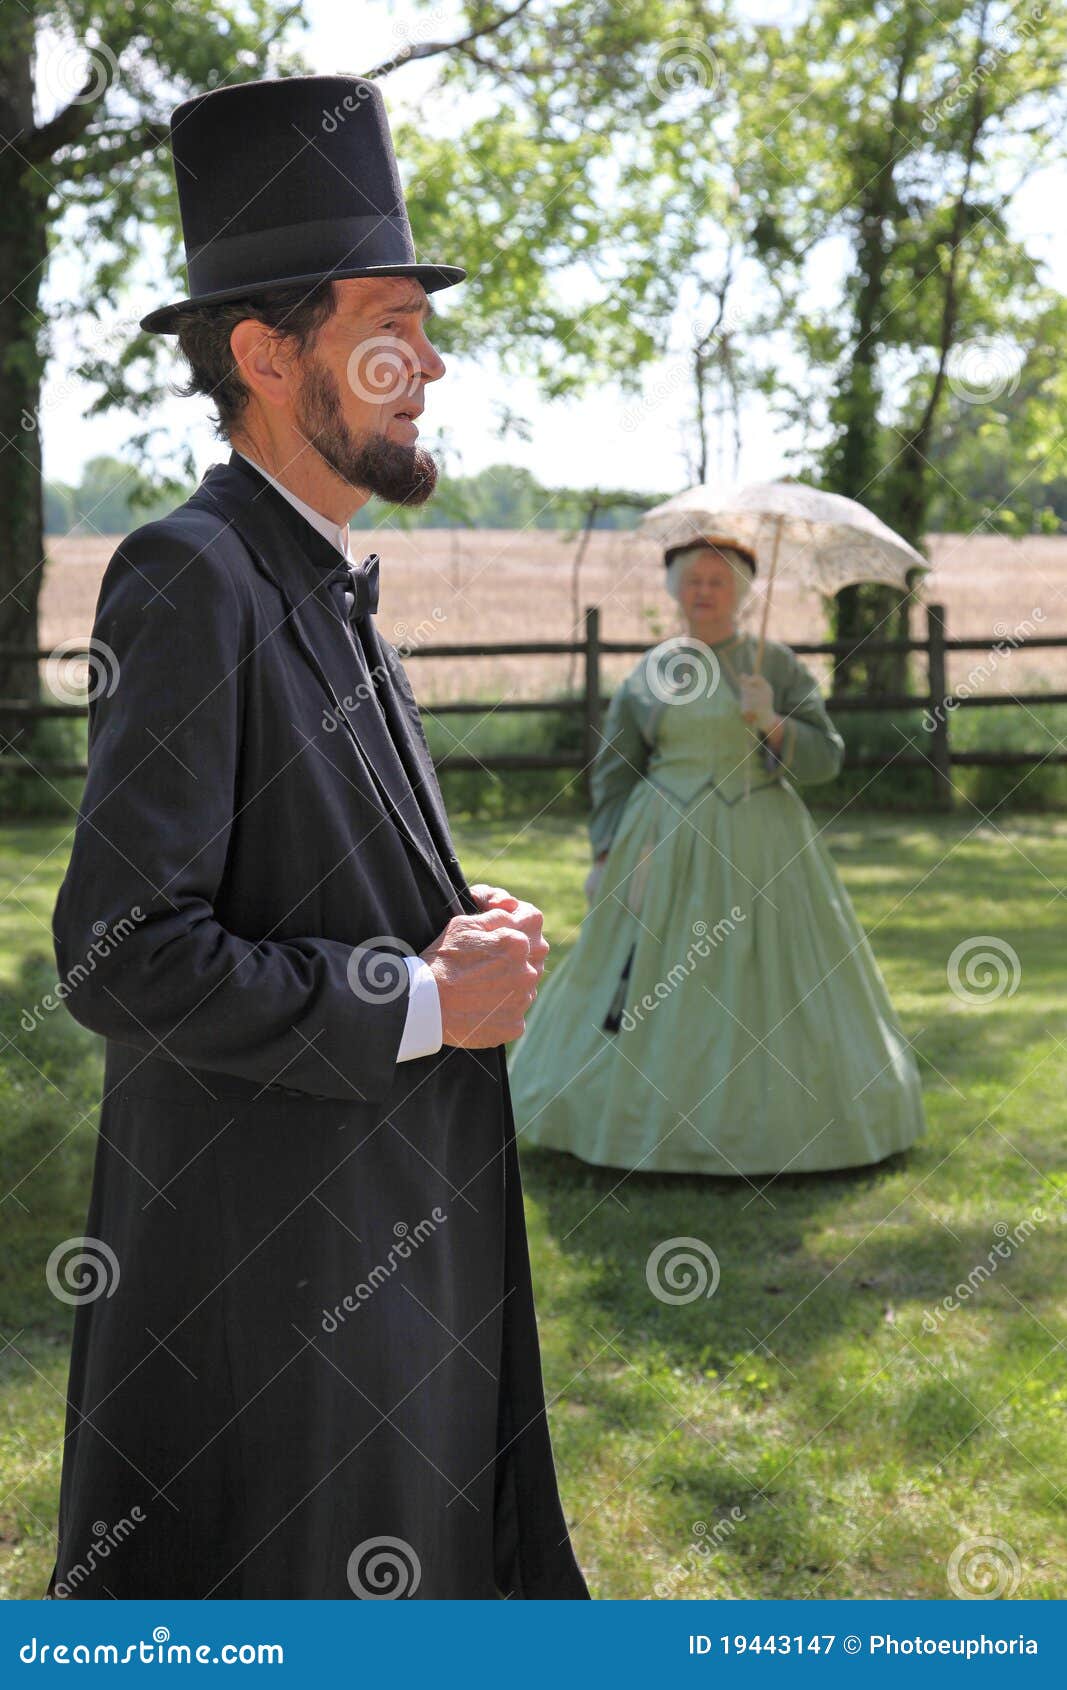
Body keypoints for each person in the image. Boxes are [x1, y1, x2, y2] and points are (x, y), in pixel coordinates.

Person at [46, 75, 588, 1602]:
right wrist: (422, 999)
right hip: (274, 1303)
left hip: (389, 1253)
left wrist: (444, 915)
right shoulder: (191, 573)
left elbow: (291, 874)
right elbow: (122, 952)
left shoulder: (323, 574)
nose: (428, 361)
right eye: (386, 324)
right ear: (266, 354)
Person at [508, 536, 926, 1176]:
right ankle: (630, 1123)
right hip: (662, 845)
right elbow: (615, 772)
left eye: (719, 582)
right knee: (646, 980)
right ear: (676, 589)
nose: (705, 592)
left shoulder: (775, 666)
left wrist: (774, 721)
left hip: (763, 847)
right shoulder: (650, 674)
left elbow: (827, 760)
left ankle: (778, 1130)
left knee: (767, 980)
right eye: (694, 581)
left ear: (741, 594)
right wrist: (603, 854)